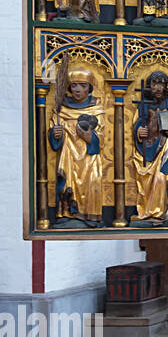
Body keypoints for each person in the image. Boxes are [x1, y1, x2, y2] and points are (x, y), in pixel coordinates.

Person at [49, 66, 105, 226]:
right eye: (74, 85)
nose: (78, 90)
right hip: (68, 155)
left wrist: (89, 136)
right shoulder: (61, 109)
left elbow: (101, 135)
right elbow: (54, 133)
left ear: (90, 88)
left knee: (93, 182)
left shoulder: (96, 109)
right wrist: (56, 134)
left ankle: (91, 216)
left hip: (89, 156)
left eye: (83, 85)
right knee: (67, 184)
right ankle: (66, 213)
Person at [130, 70, 168, 225]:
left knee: (162, 179)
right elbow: (136, 125)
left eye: (162, 84)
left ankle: (165, 211)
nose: (158, 88)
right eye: (155, 84)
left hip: (164, 150)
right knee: (147, 182)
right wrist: (138, 132)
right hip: (146, 151)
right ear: (149, 85)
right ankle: (148, 211)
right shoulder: (142, 105)